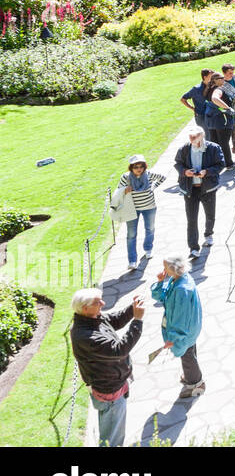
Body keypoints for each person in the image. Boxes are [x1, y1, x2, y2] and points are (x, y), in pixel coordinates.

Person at [71, 288, 145, 447]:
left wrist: (132, 308)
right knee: (111, 440)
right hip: (110, 393)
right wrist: (137, 321)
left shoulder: (91, 318)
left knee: (111, 432)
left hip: (113, 387)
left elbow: (116, 319)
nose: (103, 304)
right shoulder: (86, 336)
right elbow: (119, 349)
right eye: (98, 302)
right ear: (85, 308)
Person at [152, 255, 204, 399]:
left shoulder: (182, 289)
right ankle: (191, 375)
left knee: (187, 356)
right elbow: (161, 296)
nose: (163, 270)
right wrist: (160, 282)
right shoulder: (178, 279)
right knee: (190, 351)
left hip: (184, 331)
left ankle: (196, 383)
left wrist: (173, 339)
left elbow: (180, 319)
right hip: (190, 328)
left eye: (165, 268)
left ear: (175, 269)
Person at [174, 123, 224, 258]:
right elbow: (177, 163)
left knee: (210, 214)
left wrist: (206, 172)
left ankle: (208, 234)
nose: (192, 139)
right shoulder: (184, 149)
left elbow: (221, 165)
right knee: (191, 219)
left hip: (207, 188)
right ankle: (193, 248)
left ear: (202, 136)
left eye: (195, 137)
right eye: (190, 137)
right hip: (190, 189)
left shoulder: (213, 148)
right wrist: (185, 172)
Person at [113, 155, 165, 270]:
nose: (139, 169)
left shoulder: (149, 174)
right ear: (131, 167)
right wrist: (124, 190)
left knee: (150, 228)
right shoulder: (126, 177)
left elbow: (162, 177)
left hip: (149, 206)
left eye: (141, 166)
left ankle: (148, 249)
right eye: (135, 166)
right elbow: (118, 191)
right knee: (131, 235)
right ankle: (132, 261)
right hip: (132, 209)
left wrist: (153, 187)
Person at [203, 76, 235, 166]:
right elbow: (215, 98)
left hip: (211, 120)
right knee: (224, 142)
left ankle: (216, 164)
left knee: (215, 143)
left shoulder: (208, 90)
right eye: (221, 78)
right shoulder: (218, 90)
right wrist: (228, 108)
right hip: (222, 120)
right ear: (215, 80)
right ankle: (229, 164)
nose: (223, 79)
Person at [180, 69, 214, 136]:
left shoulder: (213, 87)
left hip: (212, 114)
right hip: (201, 116)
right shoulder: (196, 89)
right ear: (205, 77)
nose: (213, 78)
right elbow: (183, 99)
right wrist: (192, 108)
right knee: (207, 136)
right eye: (211, 76)